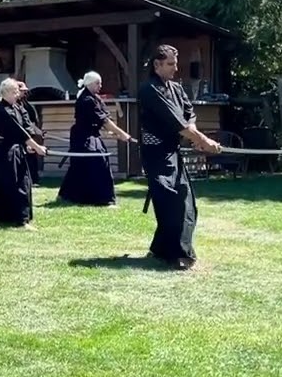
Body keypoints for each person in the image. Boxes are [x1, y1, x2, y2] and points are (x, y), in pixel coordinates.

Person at [138, 45, 221, 270]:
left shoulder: (175, 87)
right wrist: (204, 141)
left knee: (186, 201)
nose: (175, 68)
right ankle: (178, 254)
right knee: (172, 201)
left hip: (173, 151)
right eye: (170, 64)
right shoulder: (149, 90)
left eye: (175, 63)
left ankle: (163, 249)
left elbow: (188, 113)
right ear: (157, 65)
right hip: (156, 154)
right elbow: (176, 121)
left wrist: (193, 136)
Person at [0, 78, 47, 229]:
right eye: (15, 92)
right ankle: (21, 220)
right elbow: (19, 133)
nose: (17, 95)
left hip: (14, 150)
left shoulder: (16, 107)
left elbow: (26, 128)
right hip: (5, 153)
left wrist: (29, 145)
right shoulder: (3, 111)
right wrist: (37, 147)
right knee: (17, 184)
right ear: (6, 93)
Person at [57, 72, 132, 206]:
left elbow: (103, 119)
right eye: (98, 83)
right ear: (90, 84)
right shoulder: (87, 100)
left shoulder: (95, 98)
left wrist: (111, 131)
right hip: (82, 136)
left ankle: (68, 195)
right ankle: (102, 199)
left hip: (90, 134)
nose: (100, 86)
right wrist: (122, 133)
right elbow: (104, 121)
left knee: (82, 164)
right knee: (97, 161)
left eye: (100, 83)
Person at [17, 81, 45, 186]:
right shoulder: (14, 106)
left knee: (31, 158)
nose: (24, 93)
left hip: (27, 135)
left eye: (25, 91)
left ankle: (33, 180)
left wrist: (39, 132)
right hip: (19, 136)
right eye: (22, 91)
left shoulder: (26, 106)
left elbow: (30, 123)